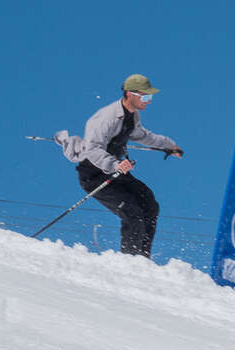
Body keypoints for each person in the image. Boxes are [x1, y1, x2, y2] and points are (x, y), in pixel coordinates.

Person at [75, 74, 183, 257]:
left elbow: (142, 135)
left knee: (148, 202)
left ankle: (142, 257)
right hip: (93, 175)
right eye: (145, 96)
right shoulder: (106, 118)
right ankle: (131, 260)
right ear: (130, 94)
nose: (149, 101)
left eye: (150, 97)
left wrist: (168, 145)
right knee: (132, 211)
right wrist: (114, 164)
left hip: (116, 171)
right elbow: (92, 149)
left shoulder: (132, 115)